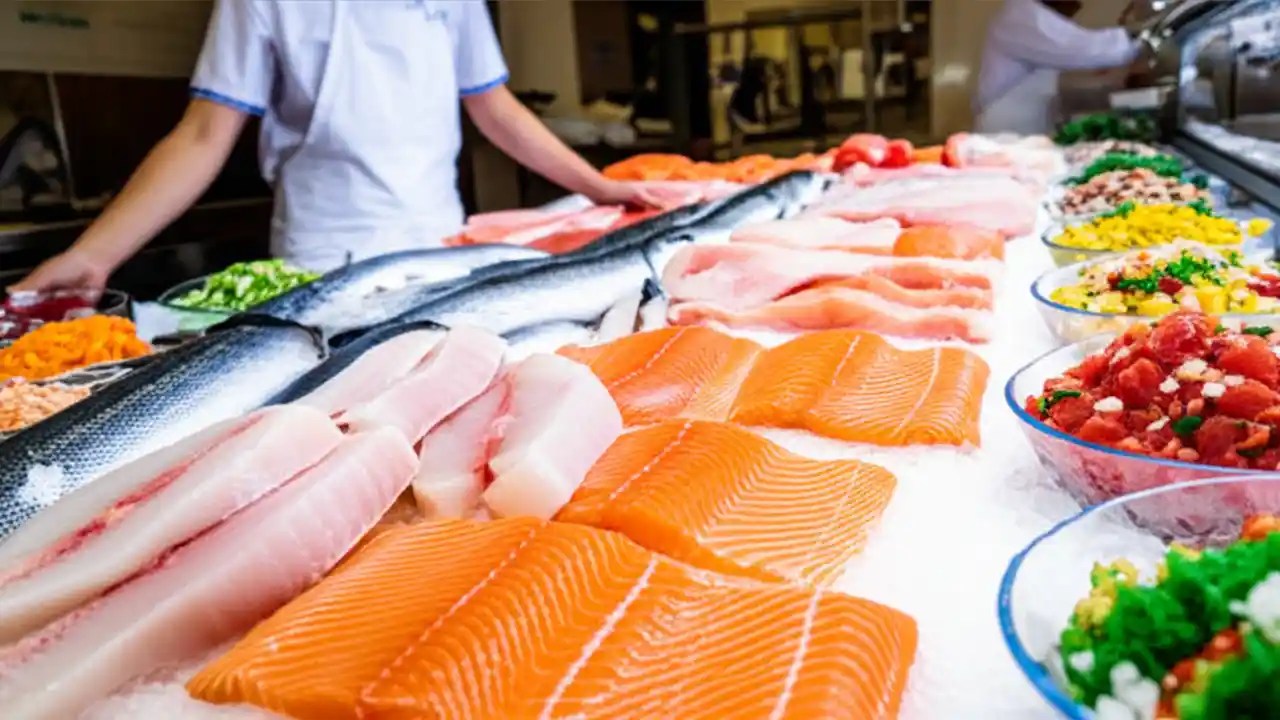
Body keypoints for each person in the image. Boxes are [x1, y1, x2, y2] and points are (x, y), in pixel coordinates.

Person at [13, 0, 656, 290]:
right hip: (321, 261)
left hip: (441, 247)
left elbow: (493, 106)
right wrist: (95, 254)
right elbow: (204, 133)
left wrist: (599, 189)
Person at [974, 0, 1141, 135]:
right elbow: (1083, 49)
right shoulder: (1022, 15)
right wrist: (1139, 37)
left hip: (1021, 130)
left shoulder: (1026, 15)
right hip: (1004, 131)